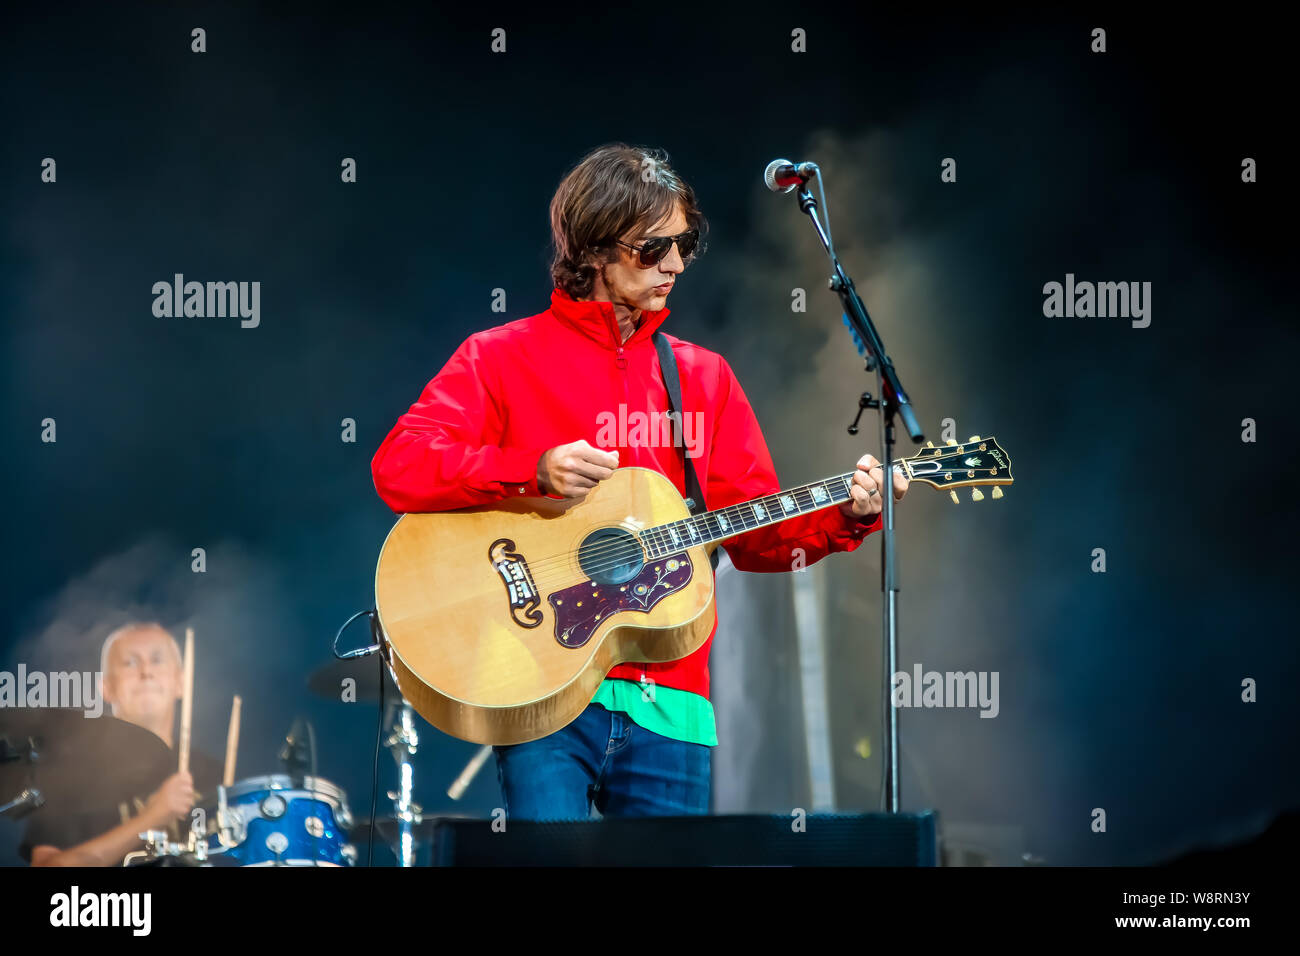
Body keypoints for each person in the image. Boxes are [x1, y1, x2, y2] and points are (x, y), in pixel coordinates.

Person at [371, 143, 907, 821]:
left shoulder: (703, 377)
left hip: (674, 708)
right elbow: (400, 464)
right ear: (595, 247)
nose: (677, 264)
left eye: (685, 244)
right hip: (544, 691)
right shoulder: (500, 358)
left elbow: (754, 535)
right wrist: (526, 469)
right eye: (654, 248)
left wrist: (848, 517)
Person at [22, 622, 221, 866]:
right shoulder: (67, 777)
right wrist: (152, 818)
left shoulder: (213, 774)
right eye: (130, 663)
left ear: (181, 682)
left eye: (157, 660)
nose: (146, 672)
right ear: (106, 688)